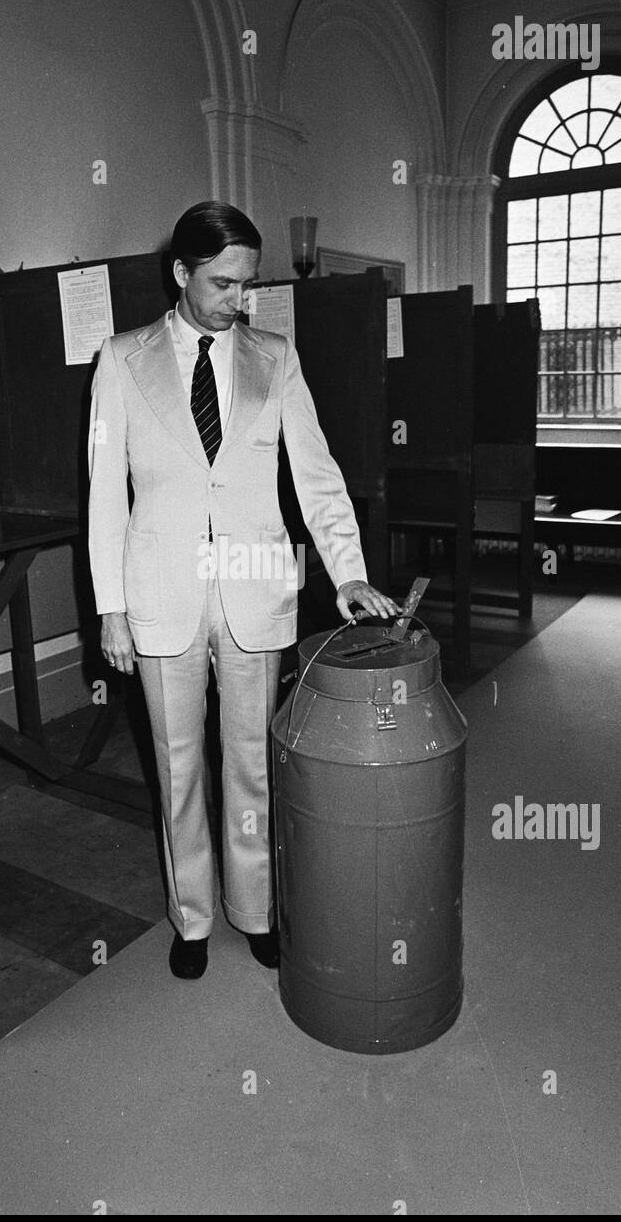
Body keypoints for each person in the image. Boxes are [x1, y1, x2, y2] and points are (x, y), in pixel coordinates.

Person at [87, 201, 398, 980]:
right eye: (223, 283)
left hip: (257, 593)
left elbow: (316, 474)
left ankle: (254, 909)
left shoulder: (275, 356)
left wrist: (348, 570)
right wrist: (110, 609)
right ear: (181, 274)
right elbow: (103, 496)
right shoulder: (121, 359)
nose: (239, 299)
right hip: (160, 599)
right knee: (177, 765)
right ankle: (190, 919)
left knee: (253, 763)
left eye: (248, 283)